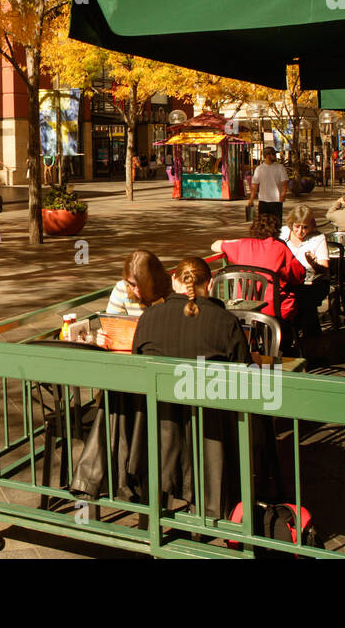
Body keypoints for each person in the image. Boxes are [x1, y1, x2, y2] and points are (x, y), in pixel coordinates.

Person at [131, 257, 251, 519]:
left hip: (160, 427)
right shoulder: (226, 321)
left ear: (174, 280)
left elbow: (137, 366)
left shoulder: (149, 318)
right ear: (210, 283)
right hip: (213, 430)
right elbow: (246, 378)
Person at [210, 214, 305, 322]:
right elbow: (299, 276)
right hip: (274, 308)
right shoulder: (280, 248)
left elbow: (214, 245)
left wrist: (236, 241)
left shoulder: (242, 245)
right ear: (277, 231)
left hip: (245, 305)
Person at [280, 206, 330, 338]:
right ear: (291, 224)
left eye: (305, 227)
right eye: (297, 226)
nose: (300, 231)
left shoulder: (318, 238)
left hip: (312, 281)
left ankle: (310, 339)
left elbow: (324, 267)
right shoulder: (282, 233)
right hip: (288, 280)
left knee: (304, 301)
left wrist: (313, 263)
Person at [106, 249, 170, 317]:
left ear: (155, 279)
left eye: (143, 284)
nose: (137, 290)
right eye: (132, 284)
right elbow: (111, 322)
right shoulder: (122, 288)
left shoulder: (172, 289)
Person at [247, 146, 288, 222]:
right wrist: (251, 199)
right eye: (273, 154)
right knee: (263, 224)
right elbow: (254, 185)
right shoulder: (259, 169)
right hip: (263, 201)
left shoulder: (280, 167)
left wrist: (283, 194)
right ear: (267, 155)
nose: (275, 156)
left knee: (276, 224)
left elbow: (284, 183)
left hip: (276, 201)